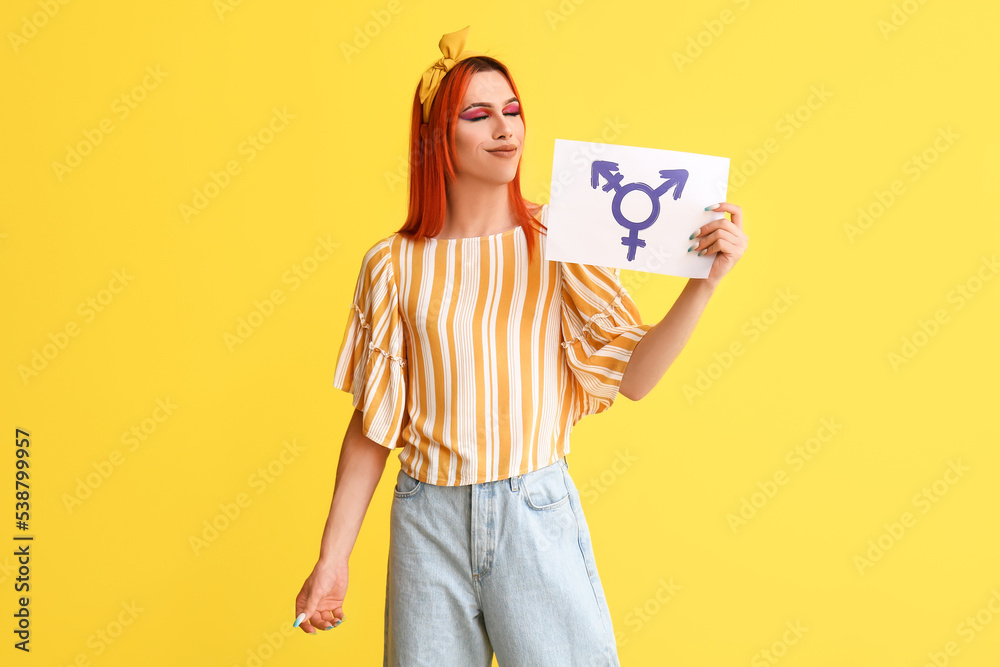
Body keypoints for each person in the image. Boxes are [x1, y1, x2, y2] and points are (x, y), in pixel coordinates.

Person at [293, 25, 748, 666]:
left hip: (533, 512)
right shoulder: (391, 266)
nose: (506, 129)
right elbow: (374, 424)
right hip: (426, 522)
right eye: (478, 115)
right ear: (438, 140)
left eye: (513, 111)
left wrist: (704, 287)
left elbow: (634, 377)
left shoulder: (560, 237)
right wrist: (332, 560)